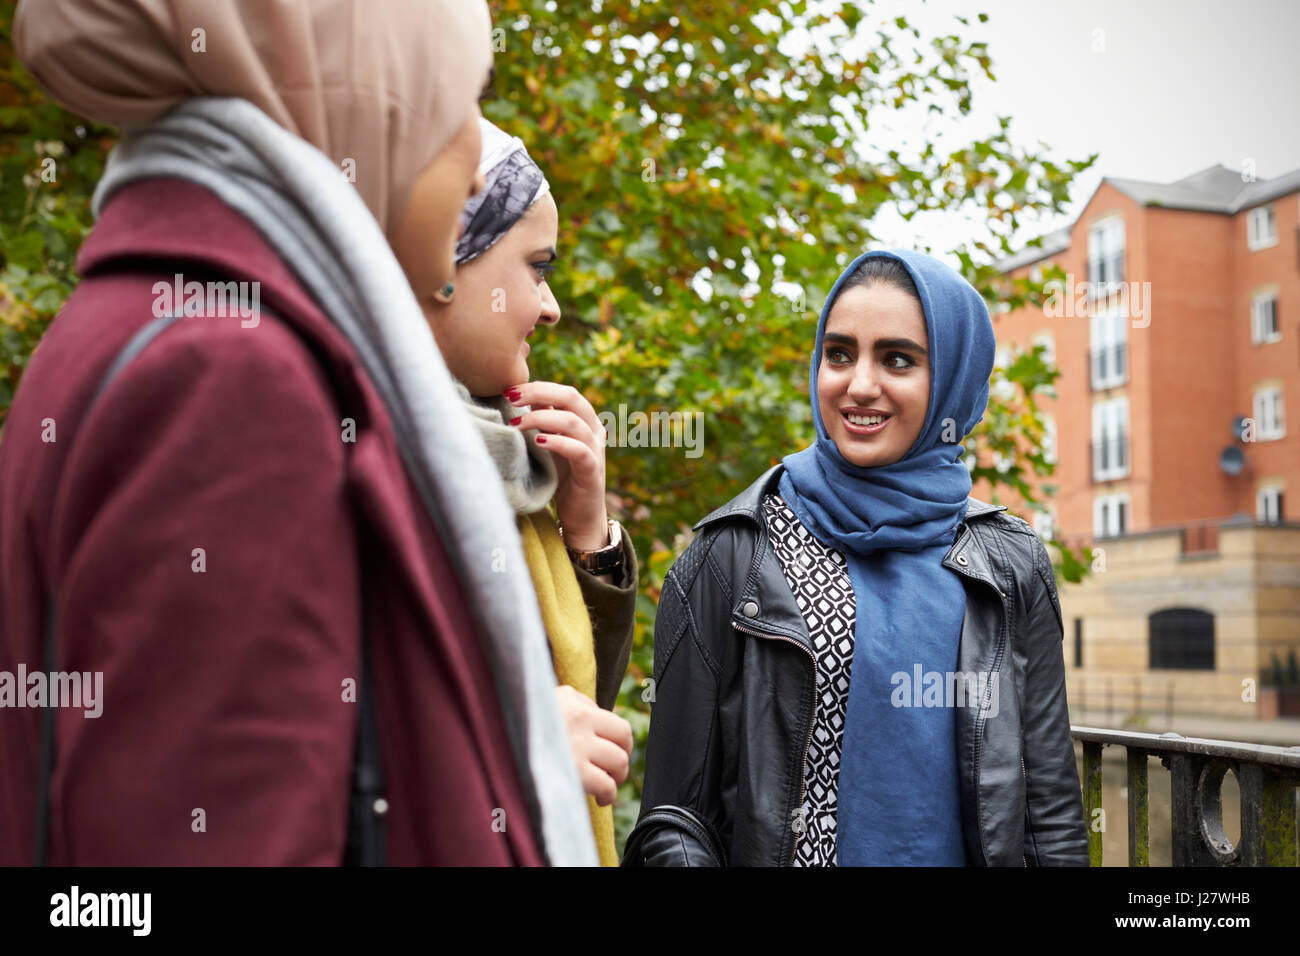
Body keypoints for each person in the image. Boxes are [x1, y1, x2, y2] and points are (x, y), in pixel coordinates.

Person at [1, 0, 595, 865]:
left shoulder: (160, 320)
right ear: (365, 108)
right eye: (455, 102)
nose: (476, 168)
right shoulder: (232, 376)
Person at [623, 250, 1089, 866]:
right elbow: (672, 823)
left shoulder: (1009, 560)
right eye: (839, 353)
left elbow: (1049, 813)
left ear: (954, 378)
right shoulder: (732, 551)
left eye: (897, 359)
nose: (859, 384)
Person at [429, 117, 637, 866]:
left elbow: (581, 699)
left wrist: (587, 528)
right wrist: (517, 739)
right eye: (537, 267)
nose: (549, 308)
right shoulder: (346, 446)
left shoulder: (498, 455)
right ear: (444, 262)